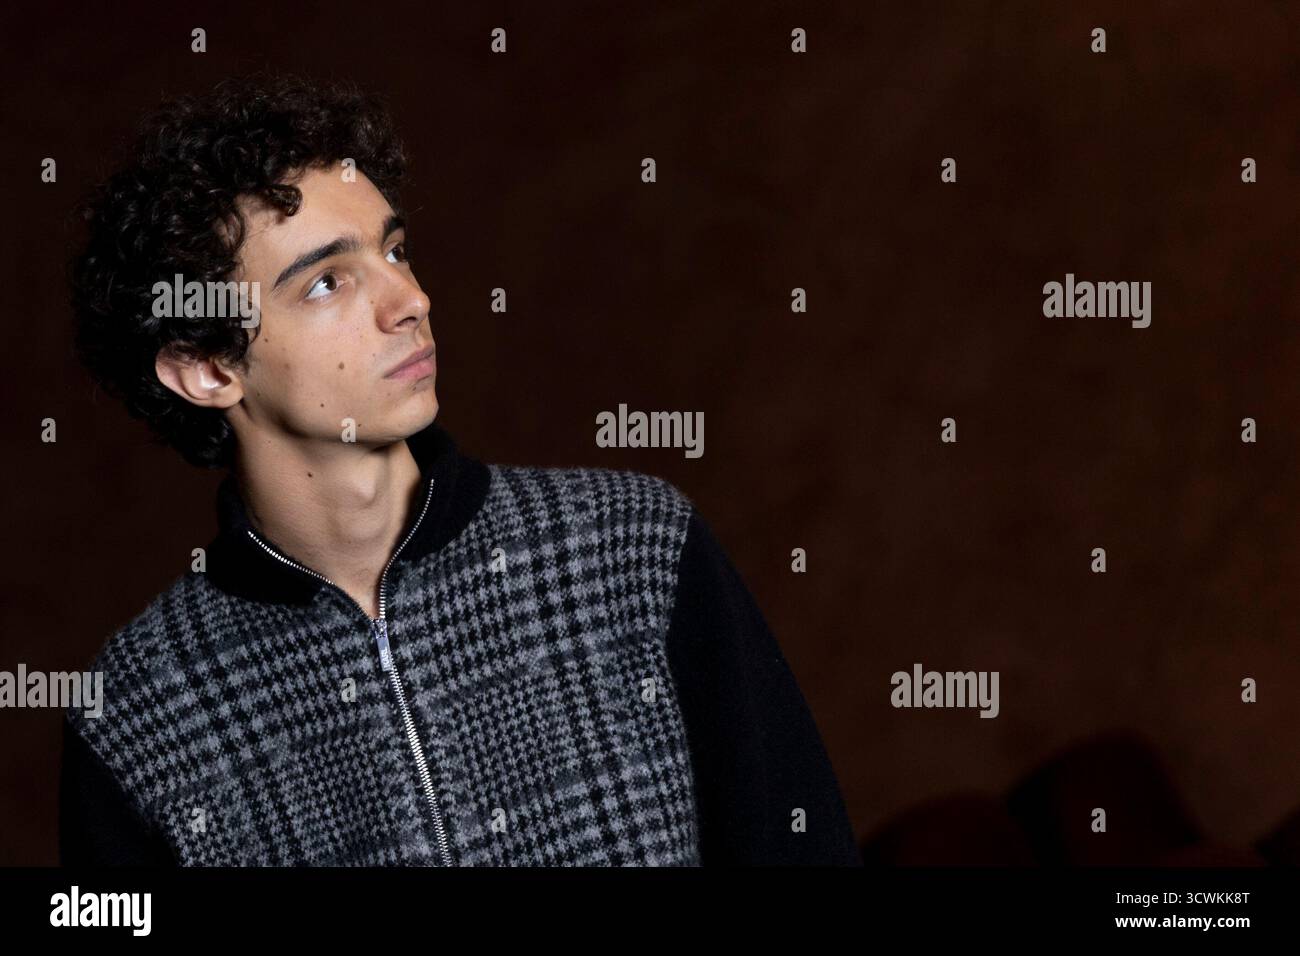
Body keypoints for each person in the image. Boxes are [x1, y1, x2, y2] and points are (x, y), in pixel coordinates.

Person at [61, 73, 860, 866]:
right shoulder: (140, 707)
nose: (409, 299)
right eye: (328, 282)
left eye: (395, 249)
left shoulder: (634, 548)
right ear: (206, 369)